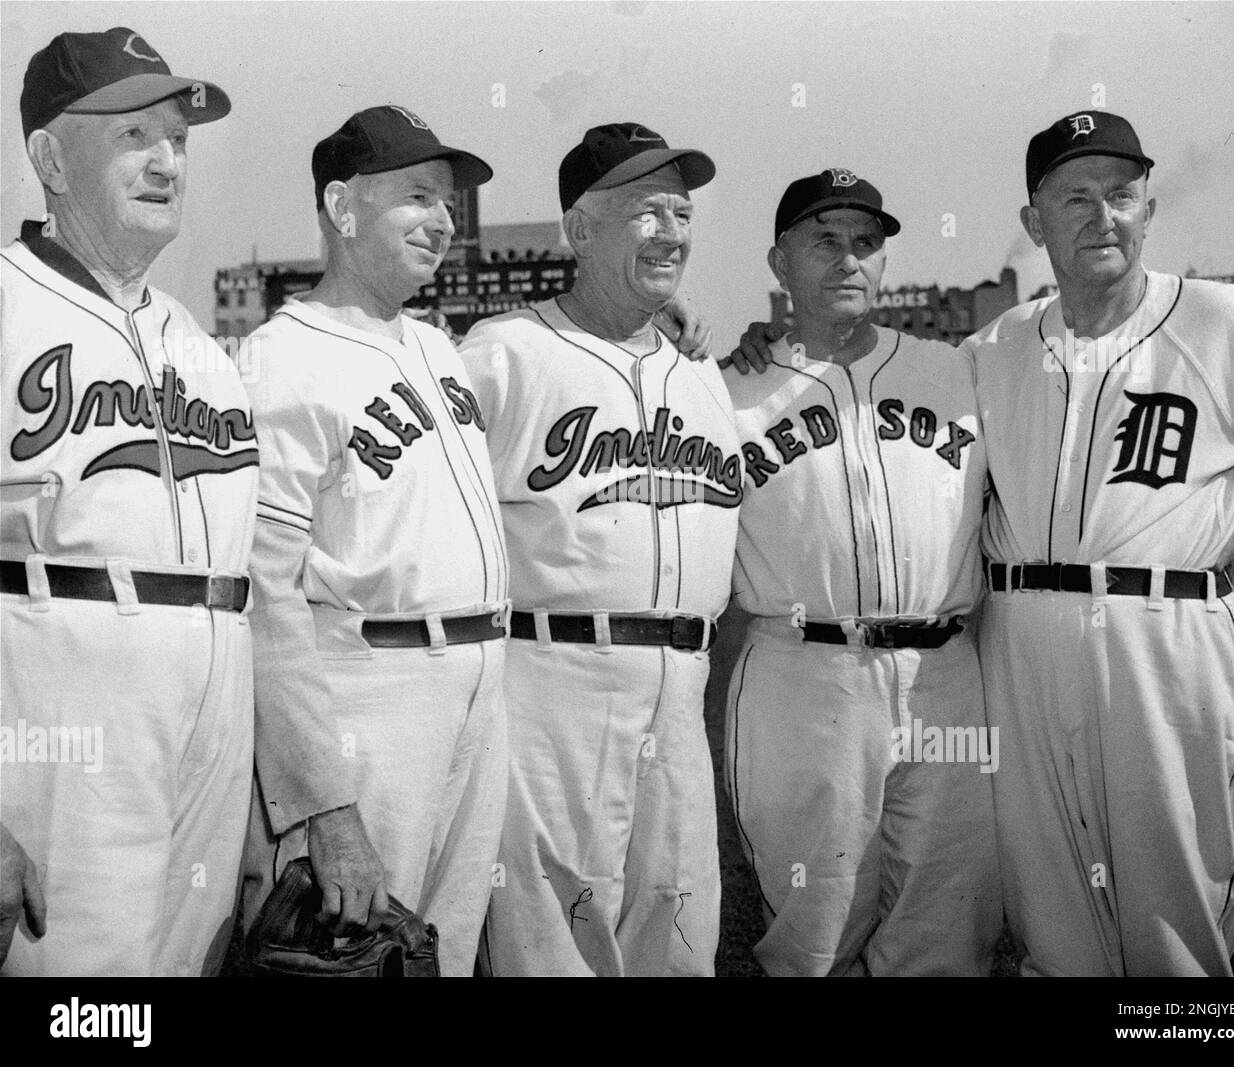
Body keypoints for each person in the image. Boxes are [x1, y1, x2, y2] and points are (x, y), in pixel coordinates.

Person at [961, 110, 1234, 975]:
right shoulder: (993, 348)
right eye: (1073, 197)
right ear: (1034, 223)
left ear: (1149, 211)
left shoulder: (1225, 322)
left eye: (1121, 194)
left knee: (1172, 923)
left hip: (1166, 634)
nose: (1100, 215)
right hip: (1021, 646)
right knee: (1049, 919)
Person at [1, 27, 256, 975]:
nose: (167, 160)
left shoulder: (199, 343)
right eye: (134, 136)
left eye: (178, 140)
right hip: (66, 730)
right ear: (49, 159)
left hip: (212, 718)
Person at [459, 123, 741, 976]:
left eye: (682, 213)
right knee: (552, 942)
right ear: (581, 232)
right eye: (647, 214)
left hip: (683, 691)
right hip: (555, 685)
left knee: (680, 930)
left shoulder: (701, 370)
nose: (673, 234)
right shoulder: (503, 353)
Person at [236, 106, 510, 976]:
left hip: (477, 691)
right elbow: (266, 592)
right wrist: (325, 799)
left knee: (443, 956)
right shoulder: (280, 357)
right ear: (343, 208)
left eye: (449, 202)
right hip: (369, 697)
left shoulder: (436, 347)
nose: (443, 219)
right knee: (351, 958)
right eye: (418, 197)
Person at [720, 169, 1001, 976]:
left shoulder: (957, 371)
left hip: (946, 669)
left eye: (867, 243)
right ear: (780, 263)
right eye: (825, 240)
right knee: (814, 930)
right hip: (804, 675)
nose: (850, 259)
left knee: (951, 918)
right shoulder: (728, 387)